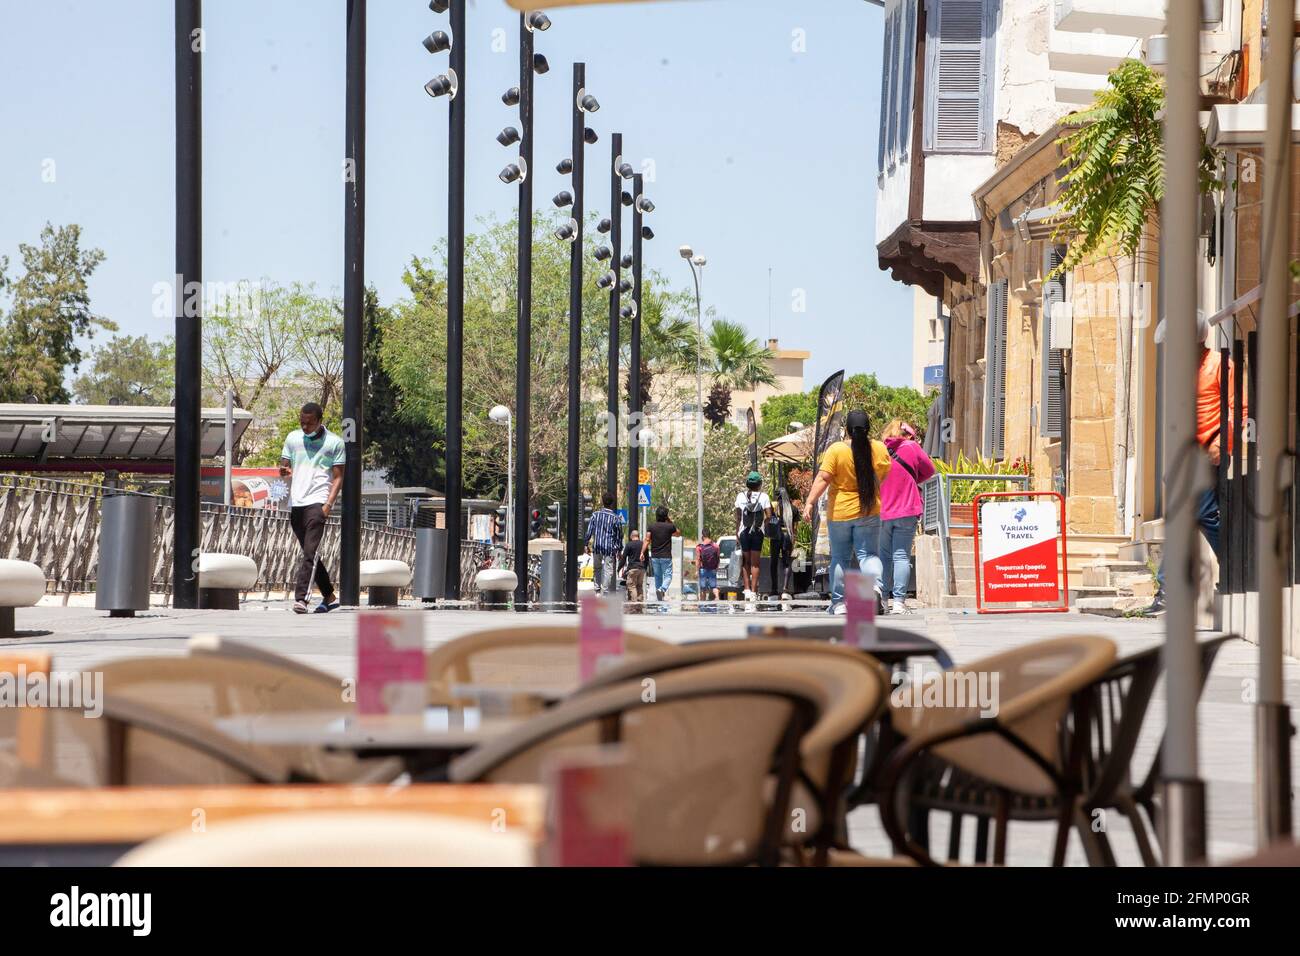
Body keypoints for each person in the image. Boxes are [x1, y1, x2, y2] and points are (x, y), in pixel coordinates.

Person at [1146, 311, 1244, 614]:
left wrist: (1221, 443)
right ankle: (1229, 573)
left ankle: (1231, 570)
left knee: (1202, 514)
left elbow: (1238, 408)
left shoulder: (1220, 365)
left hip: (1208, 452)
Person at [800, 408, 892, 615]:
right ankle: (875, 588)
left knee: (840, 558)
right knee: (868, 555)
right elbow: (883, 475)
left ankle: (839, 604)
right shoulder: (879, 448)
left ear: (847, 430)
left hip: (840, 512)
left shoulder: (837, 450)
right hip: (869, 510)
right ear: (868, 428)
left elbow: (823, 478)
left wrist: (809, 502)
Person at [279, 402, 346, 614]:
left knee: (309, 553)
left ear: (319, 421)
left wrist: (328, 504)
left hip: (318, 502)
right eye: (302, 422)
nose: (305, 427)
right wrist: (283, 470)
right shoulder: (292, 438)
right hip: (296, 503)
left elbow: (338, 477)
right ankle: (329, 594)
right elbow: (284, 464)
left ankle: (301, 599)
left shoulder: (335, 442)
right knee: (311, 553)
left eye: (309, 423)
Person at [877, 420, 936, 615]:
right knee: (901, 556)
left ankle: (883, 600)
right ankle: (899, 603)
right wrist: (912, 478)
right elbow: (929, 470)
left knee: (883, 557)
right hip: (907, 509)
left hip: (882, 511)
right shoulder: (912, 447)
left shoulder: (878, 449)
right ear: (908, 434)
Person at [734, 471, 772, 601]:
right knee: (755, 563)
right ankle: (754, 592)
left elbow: (738, 517)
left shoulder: (740, 496)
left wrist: (736, 532)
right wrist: (761, 525)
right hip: (757, 532)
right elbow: (769, 515)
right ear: (759, 484)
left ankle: (747, 590)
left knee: (746, 562)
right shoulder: (764, 496)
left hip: (744, 532)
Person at [583, 491, 626, 595]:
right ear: (612, 503)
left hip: (597, 546)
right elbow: (619, 535)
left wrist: (586, 544)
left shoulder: (595, 515)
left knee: (597, 568)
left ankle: (597, 590)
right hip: (609, 548)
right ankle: (604, 591)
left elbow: (589, 530)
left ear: (602, 502)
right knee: (608, 570)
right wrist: (619, 550)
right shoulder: (615, 518)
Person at [641, 505, 680, 603]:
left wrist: (642, 552)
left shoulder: (651, 526)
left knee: (658, 576)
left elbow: (647, 540)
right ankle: (662, 590)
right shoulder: (670, 527)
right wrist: (670, 521)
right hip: (666, 556)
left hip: (655, 556)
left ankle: (660, 598)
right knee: (668, 576)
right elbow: (678, 533)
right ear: (666, 516)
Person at [622, 529, 646, 611]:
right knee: (639, 586)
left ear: (631, 536)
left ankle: (634, 605)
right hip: (641, 569)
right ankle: (640, 605)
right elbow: (646, 558)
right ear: (638, 536)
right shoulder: (643, 544)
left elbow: (624, 557)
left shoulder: (629, 545)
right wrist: (645, 568)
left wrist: (619, 568)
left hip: (633, 568)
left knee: (632, 586)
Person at [696, 532, 720, 602]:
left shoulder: (699, 547)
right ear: (710, 535)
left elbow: (698, 559)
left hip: (703, 569)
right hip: (712, 569)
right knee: (714, 586)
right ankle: (717, 597)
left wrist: (697, 570)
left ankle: (702, 601)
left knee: (703, 588)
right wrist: (717, 568)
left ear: (703, 536)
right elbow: (718, 558)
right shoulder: (716, 546)